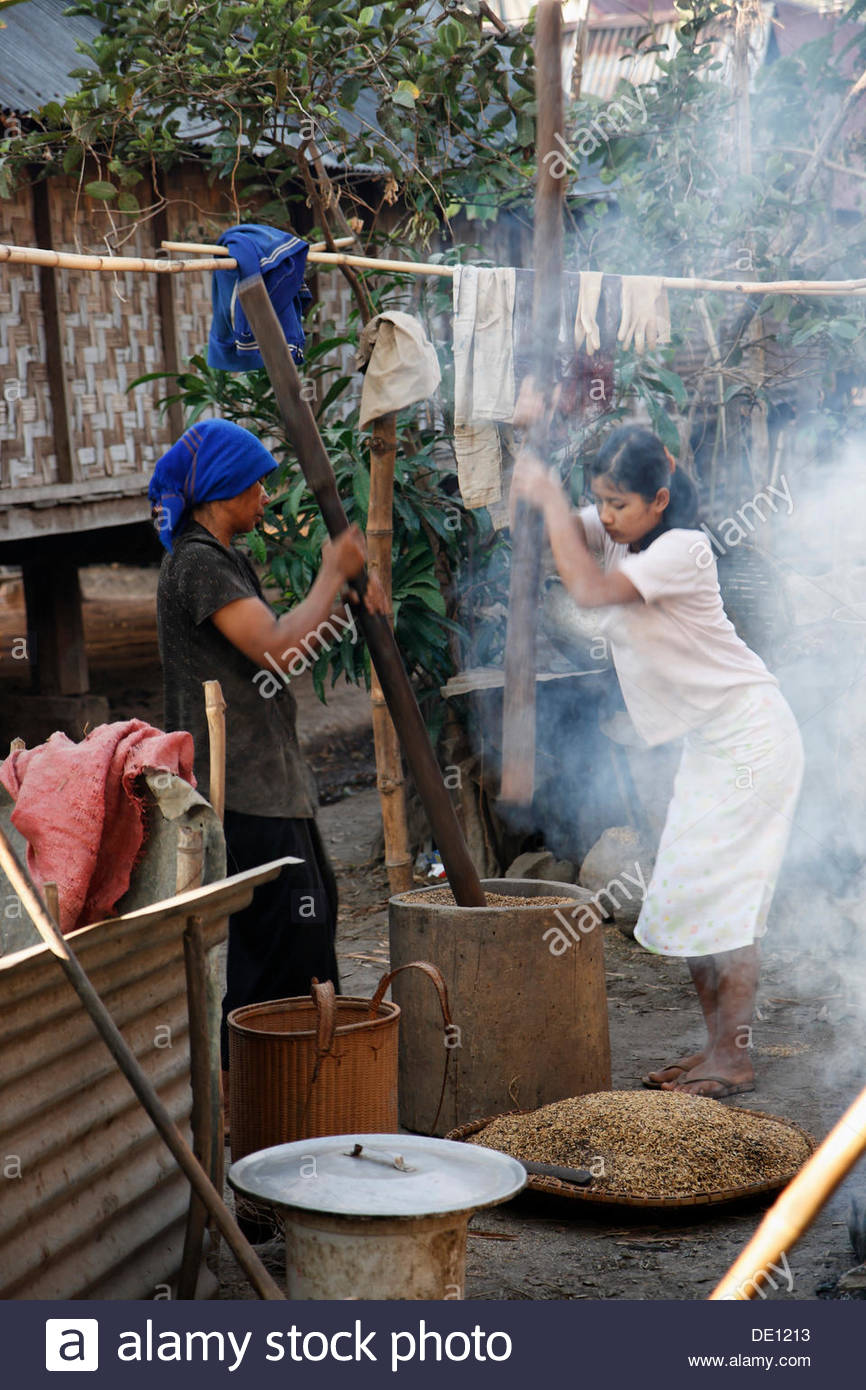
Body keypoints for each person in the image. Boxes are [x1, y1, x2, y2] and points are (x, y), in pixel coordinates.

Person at [510, 397, 804, 1099]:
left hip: (753, 737)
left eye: (619, 504)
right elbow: (563, 533)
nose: (606, 516)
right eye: (600, 501)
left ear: (659, 500)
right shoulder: (625, 533)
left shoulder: (684, 549)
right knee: (685, 897)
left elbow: (586, 586)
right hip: (713, 745)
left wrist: (549, 495)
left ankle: (733, 1057)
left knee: (724, 902)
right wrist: (533, 446)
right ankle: (714, 1051)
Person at [148, 418, 385, 1116]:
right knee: (277, 950)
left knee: (306, 931)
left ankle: (292, 1100)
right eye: (253, 484)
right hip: (243, 793)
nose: (263, 495)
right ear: (220, 490)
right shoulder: (196, 565)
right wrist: (329, 572)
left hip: (274, 785)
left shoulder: (224, 558)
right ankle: (258, 1111)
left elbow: (292, 645)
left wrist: (343, 605)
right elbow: (281, 649)